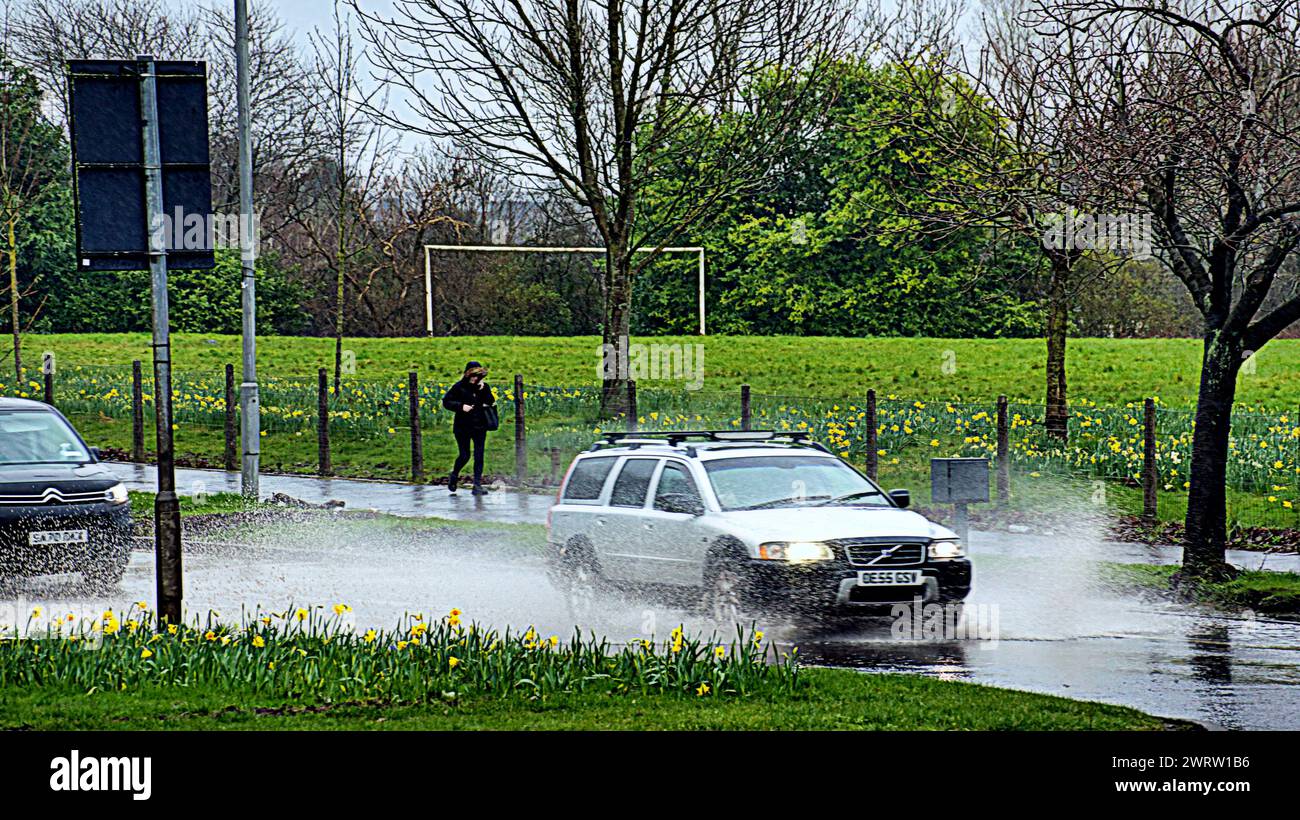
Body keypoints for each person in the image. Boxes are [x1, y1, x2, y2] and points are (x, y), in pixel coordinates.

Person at [442, 361, 496, 495]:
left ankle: (477, 485)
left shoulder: (484, 387)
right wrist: (461, 406)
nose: (474, 379)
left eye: (477, 376)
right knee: (465, 455)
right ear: (467, 375)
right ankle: (454, 475)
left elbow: (490, 401)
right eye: (472, 376)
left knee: (479, 455)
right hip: (462, 427)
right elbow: (446, 401)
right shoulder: (459, 387)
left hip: (479, 426)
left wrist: (483, 389)